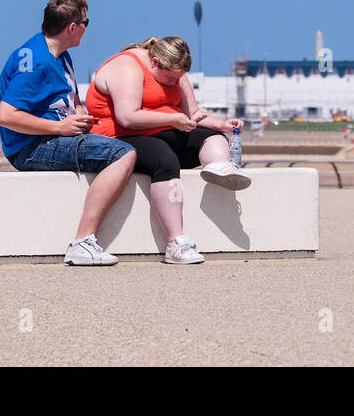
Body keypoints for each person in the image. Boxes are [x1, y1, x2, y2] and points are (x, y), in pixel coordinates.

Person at [0, 0, 137, 267]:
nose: (87, 27)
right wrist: (60, 127)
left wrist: (80, 119)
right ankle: (84, 241)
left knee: (133, 143)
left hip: (54, 136)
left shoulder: (59, 55)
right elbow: (6, 115)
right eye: (86, 22)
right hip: (32, 147)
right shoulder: (36, 61)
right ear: (72, 27)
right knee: (124, 154)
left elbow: (70, 103)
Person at [86, 35, 248, 265]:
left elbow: (193, 114)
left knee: (212, 136)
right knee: (164, 159)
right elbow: (128, 117)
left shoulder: (176, 70)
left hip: (165, 130)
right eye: (170, 78)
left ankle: (219, 166)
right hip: (123, 136)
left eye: (178, 78)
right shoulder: (128, 67)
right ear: (154, 62)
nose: (174, 83)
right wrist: (172, 119)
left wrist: (221, 124)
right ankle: (176, 244)